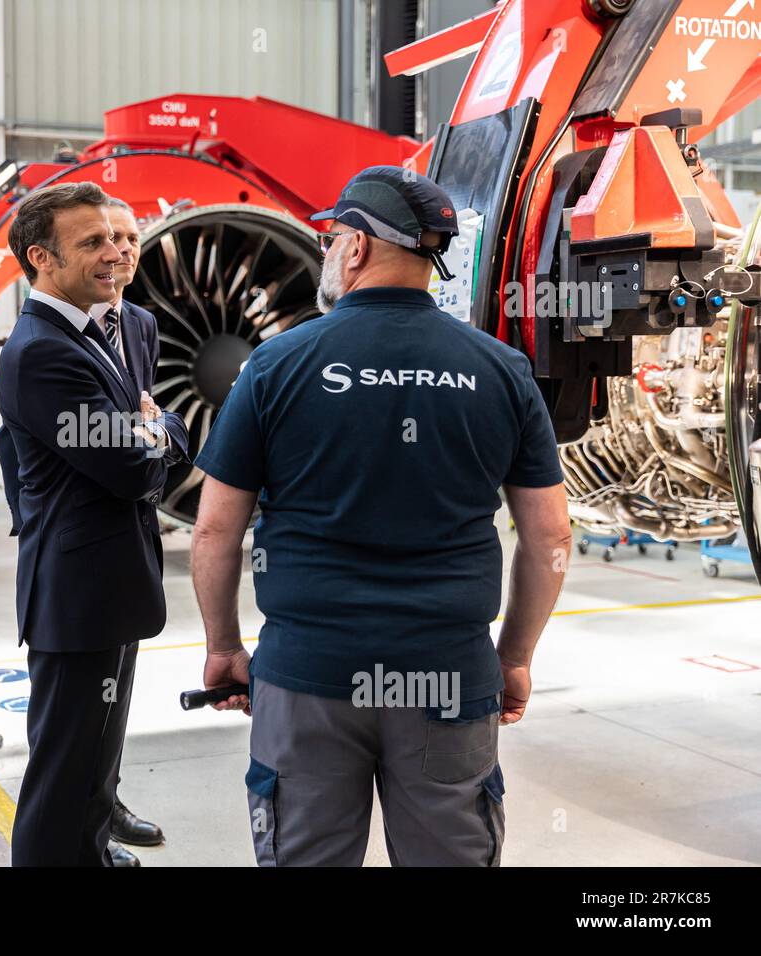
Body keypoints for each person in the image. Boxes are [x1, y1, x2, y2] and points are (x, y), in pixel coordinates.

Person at [190, 166, 572, 866]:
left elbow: (216, 529)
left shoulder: (276, 365)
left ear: (358, 248)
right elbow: (550, 535)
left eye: (334, 237)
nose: (330, 252)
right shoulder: (500, 368)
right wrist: (513, 658)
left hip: (308, 673)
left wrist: (224, 648)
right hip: (448, 675)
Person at [0, 182, 188, 866]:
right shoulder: (37, 352)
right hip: (75, 585)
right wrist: (162, 431)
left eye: (124, 237)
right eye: (95, 242)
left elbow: (145, 433)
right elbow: (135, 468)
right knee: (65, 760)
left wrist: (151, 430)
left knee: (101, 744)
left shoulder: (131, 322)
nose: (119, 253)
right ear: (41, 258)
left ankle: (92, 848)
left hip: (123, 570)